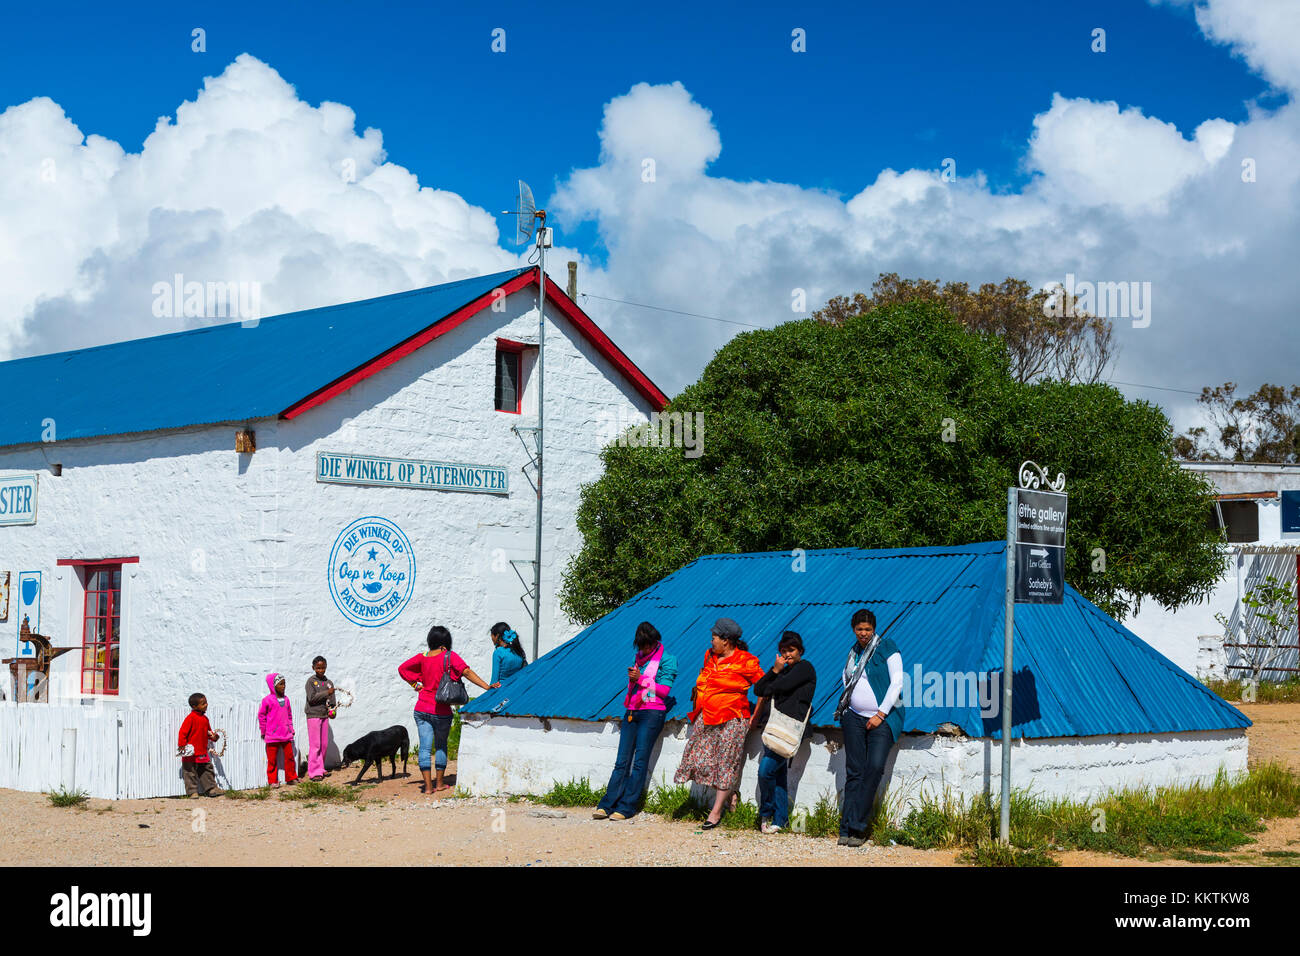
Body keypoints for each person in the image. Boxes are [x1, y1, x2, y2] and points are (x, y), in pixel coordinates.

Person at [673, 617, 765, 829]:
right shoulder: (710, 656)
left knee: (726, 762)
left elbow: (763, 688)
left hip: (733, 718)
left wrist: (756, 715)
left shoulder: (746, 661)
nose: (711, 641)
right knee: (699, 759)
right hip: (707, 716)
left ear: (726, 640)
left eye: (714, 637)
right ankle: (731, 792)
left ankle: (715, 812)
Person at [399, 625, 500, 794]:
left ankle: (428, 787)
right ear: (444, 644)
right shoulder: (449, 656)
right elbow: (466, 672)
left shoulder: (422, 657)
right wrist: (487, 687)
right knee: (440, 747)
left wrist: (415, 683)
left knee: (424, 748)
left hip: (422, 709)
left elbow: (402, 669)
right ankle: (439, 784)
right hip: (441, 712)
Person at [593, 622, 677, 822]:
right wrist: (634, 679)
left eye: (647, 646)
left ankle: (627, 806)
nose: (644, 650)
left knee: (639, 762)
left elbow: (664, 690)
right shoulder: (638, 658)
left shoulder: (667, 659)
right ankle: (607, 804)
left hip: (652, 712)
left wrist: (640, 679)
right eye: (641, 646)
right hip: (633, 709)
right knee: (621, 761)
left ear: (655, 642)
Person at [835, 608, 904, 847]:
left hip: (882, 719)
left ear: (874, 629)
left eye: (867, 629)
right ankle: (846, 829)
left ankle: (858, 826)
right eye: (859, 629)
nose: (863, 633)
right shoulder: (853, 651)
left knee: (873, 768)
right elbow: (847, 679)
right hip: (854, 717)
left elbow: (897, 683)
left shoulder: (887, 647)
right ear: (853, 630)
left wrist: (881, 713)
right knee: (854, 770)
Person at [753, 631, 816, 834]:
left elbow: (780, 686)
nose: (787, 654)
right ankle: (781, 820)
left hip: (788, 730)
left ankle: (766, 813)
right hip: (773, 728)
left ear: (800, 651)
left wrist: (776, 675)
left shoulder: (805, 668)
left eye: (791, 650)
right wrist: (774, 669)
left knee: (765, 771)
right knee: (778, 776)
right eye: (783, 651)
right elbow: (759, 689)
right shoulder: (782, 670)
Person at [177, 692, 223, 797]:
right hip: (190, 751)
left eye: (206, 702)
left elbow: (208, 733)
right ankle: (192, 792)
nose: (206, 705)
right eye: (203, 703)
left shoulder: (205, 719)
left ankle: (211, 789)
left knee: (206, 770)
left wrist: (214, 737)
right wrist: (182, 746)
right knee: (189, 772)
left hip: (202, 750)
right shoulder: (191, 718)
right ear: (194, 706)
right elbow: (183, 732)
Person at [258, 673, 297, 788]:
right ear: (273, 685)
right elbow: (262, 716)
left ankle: (291, 778)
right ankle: (272, 781)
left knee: (290, 757)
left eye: (284, 684)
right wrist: (263, 731)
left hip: (286, 734)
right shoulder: (267, 700)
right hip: (272, 735)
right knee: (272, 760)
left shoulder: (286, 699)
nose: (283, 686)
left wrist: (291, 728)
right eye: (280, 684)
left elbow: (289, 716)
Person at [304, 657, 337, 781]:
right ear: (313, 668)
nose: (321, 670)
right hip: (313, 715)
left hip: (324, 716)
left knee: (324, 744)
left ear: (326, 666)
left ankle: (321, 768)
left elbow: (332, 702)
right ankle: (314, 772)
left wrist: (333, 711)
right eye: (318, 668)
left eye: (323, 667)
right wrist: (326, 693)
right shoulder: (311, 682)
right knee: (315, 745)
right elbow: (311, 698)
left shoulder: (329, 683)